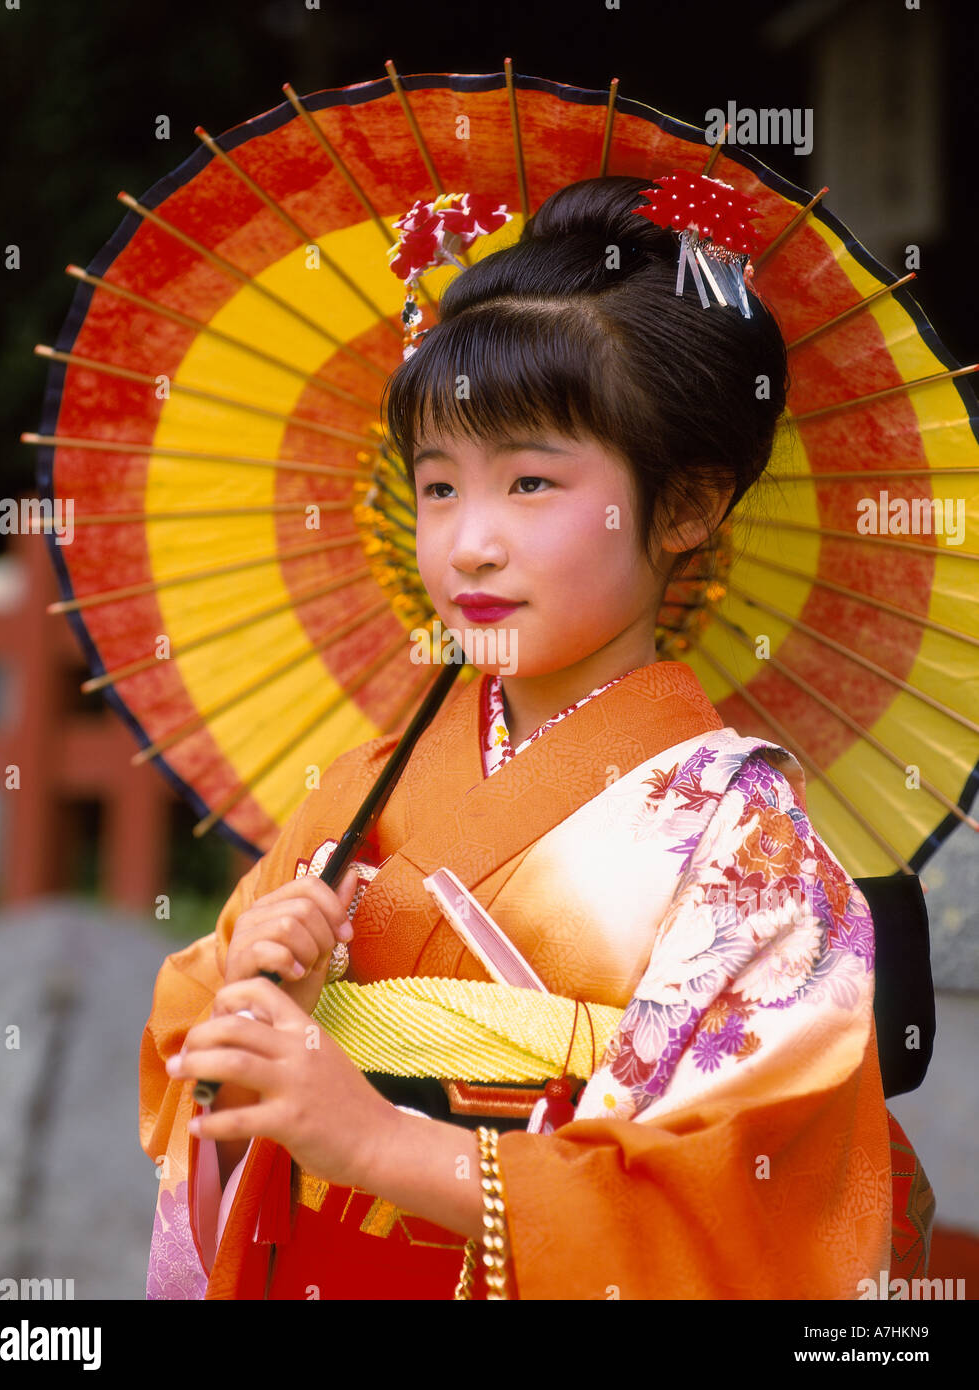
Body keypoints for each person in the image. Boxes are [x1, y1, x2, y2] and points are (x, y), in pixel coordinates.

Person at [140, 175, 933, 1300]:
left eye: (527, 482)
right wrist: (252, 988)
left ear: (685, 506)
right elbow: (193, 1057)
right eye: (437, 486)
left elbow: (750, 1199)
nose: (468, 544)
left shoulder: (745, 845)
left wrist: (382, 1146)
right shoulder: (357, 798)